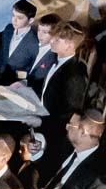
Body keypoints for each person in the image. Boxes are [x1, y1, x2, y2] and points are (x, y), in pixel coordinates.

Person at [35, 109, 106, 189]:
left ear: (83, 131)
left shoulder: (100, 172)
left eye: (70, 124)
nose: (66, 127)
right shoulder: (66, 145)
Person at [34, 22, 90, 158]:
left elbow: (69, 114)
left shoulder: (75, 76)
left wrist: (40, 122)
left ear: (70, 46)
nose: (51, 40)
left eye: (57, 40)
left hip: (54, 136)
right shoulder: (57, 59)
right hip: (43, 122)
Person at [0, 0, 38, 83]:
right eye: (13, 15)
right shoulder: (8, 29)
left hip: (17, 83)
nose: (14, 20)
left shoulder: (34, 43)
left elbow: (32, 69)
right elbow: (2, 52)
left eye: (19, 18)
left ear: (30, 20)